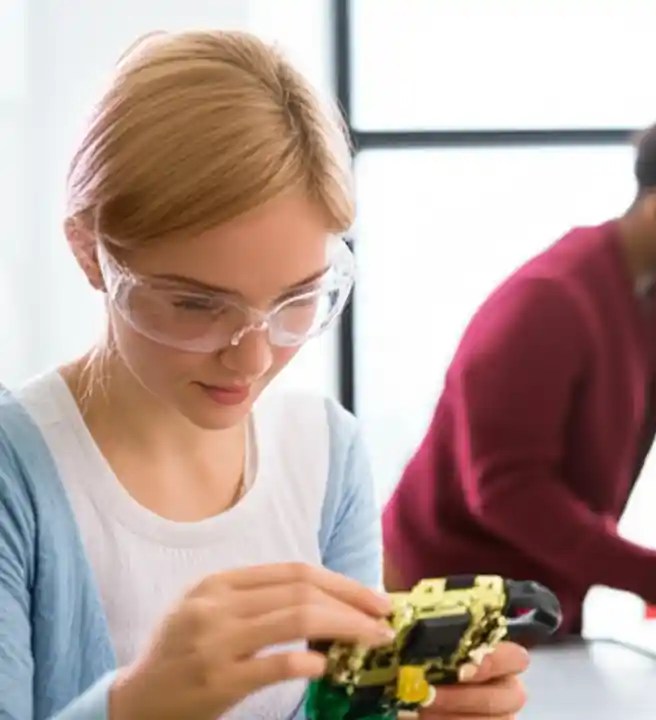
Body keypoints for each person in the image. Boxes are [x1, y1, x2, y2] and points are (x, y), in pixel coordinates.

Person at [0, 30, 526, 719]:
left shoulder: (325, 456)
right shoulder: (18, 473)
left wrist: (413, 711)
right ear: (90, 253)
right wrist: (136, 706)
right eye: (195, 304)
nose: (251, 360)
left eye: (296, 300)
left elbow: (342, 711)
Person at [382, 114, 656, 635]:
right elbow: (508, 491)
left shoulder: (642, 294)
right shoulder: (551, 302)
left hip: (534, 594)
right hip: (451, 597)